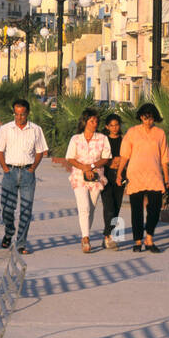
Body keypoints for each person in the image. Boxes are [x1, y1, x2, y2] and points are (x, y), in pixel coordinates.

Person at [117, 102, 169, 253]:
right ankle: (137, 241)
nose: (148, 121)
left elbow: (164, 157)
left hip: (154, 175)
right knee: (136, 210)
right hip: (135, 175)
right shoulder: (132, 132)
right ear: (141, 117)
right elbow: (124, 155)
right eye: (146, 118)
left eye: (151, 118)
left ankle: (149, 238)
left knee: (155, 209)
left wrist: (166, 178)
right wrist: (119, 173)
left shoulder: (160, 134)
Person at [0, 99, 48, 253]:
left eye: (22, 114)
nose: (19, 118)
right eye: (17, 114)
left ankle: (21, 243)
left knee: (26, 210)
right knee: (7, 209)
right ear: (14, 113)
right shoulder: (6, 129)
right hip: (10, 173)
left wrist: (33, 168)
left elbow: (40, 150)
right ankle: (9, 232)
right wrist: (5, 168)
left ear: (27, 114)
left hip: (27, 174)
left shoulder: (36, 130)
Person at [64, 108, 111, 253]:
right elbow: (70, 158)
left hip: (96, 177)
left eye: (96, 121)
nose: (94, 124)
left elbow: (105, 157)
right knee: (83, 207)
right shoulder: (76, 139)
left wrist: (92, 167)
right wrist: (84, 168)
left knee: (91, 209)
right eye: (92, 121)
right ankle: (86, 238)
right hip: (79, 177)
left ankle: (86, 234)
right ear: (85, 122)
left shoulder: (103, 138)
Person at [100, 113, 126, 248]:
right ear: (107, 127)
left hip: (121, 176)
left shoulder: (124, 140)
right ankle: (108, 236)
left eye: (116, 125)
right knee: (108, 206)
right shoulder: (103, 140)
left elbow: (127, 156)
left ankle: (109, 234)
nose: (114, 128)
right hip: (106, 175)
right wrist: (111, 162)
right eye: (111, 125)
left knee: (116, 206)